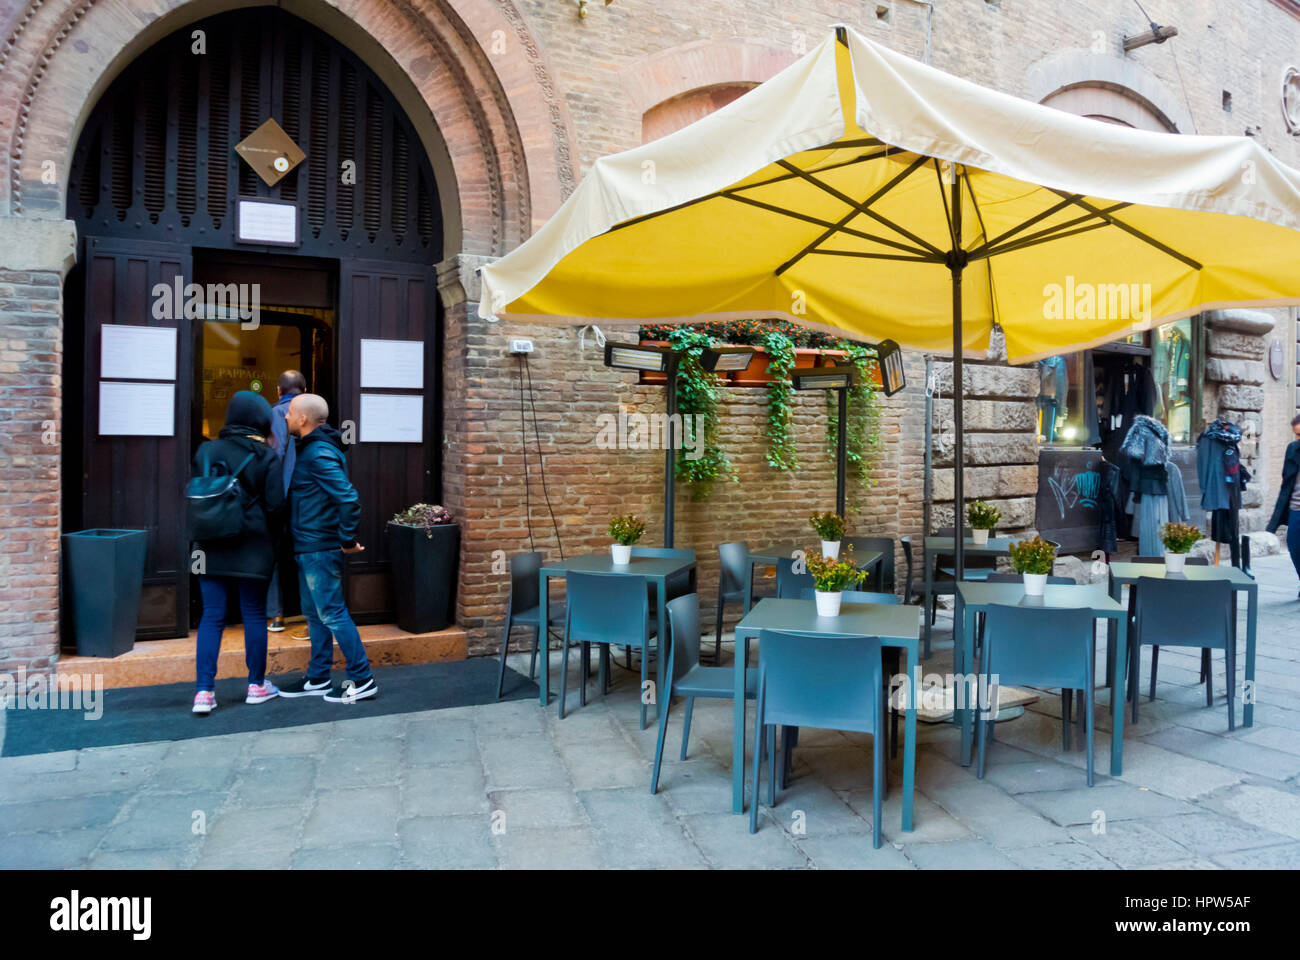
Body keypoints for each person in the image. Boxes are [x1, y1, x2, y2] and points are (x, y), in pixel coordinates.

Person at [277, 393, 378, 702]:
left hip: (319, 546)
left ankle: (362, 679)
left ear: (304, 419)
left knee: (332, 613)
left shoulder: (318, 452)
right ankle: (318, 677)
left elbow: (348, 498)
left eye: (290, 412)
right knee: (316, 615)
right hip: (309, 545)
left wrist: (347, 540)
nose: (285, 417)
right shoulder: (310, 448)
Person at [189, 390, 284, 714]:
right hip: (253, 545)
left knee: (211, 616)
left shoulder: (205, 450)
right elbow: (275, 506)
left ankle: (204, 692)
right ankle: (256, 685)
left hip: (208, 545)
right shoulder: (265, 455)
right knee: (254, 613)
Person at [266, 369, 306, 634]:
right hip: (306, 497)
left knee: (273, 554)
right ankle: (309, 614)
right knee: (306, 553)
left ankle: (276, 615)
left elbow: (275, 452)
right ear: (304, 389)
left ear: (279, 391)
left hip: (280, 494)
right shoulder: (314, 413)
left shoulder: (275, 413)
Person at [1265, 414, 1300, 597]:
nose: (1297, 438)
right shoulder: (1293, 449)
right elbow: (1286, 483)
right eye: (1296, 434)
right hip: (1296, 508)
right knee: (1294, 546)